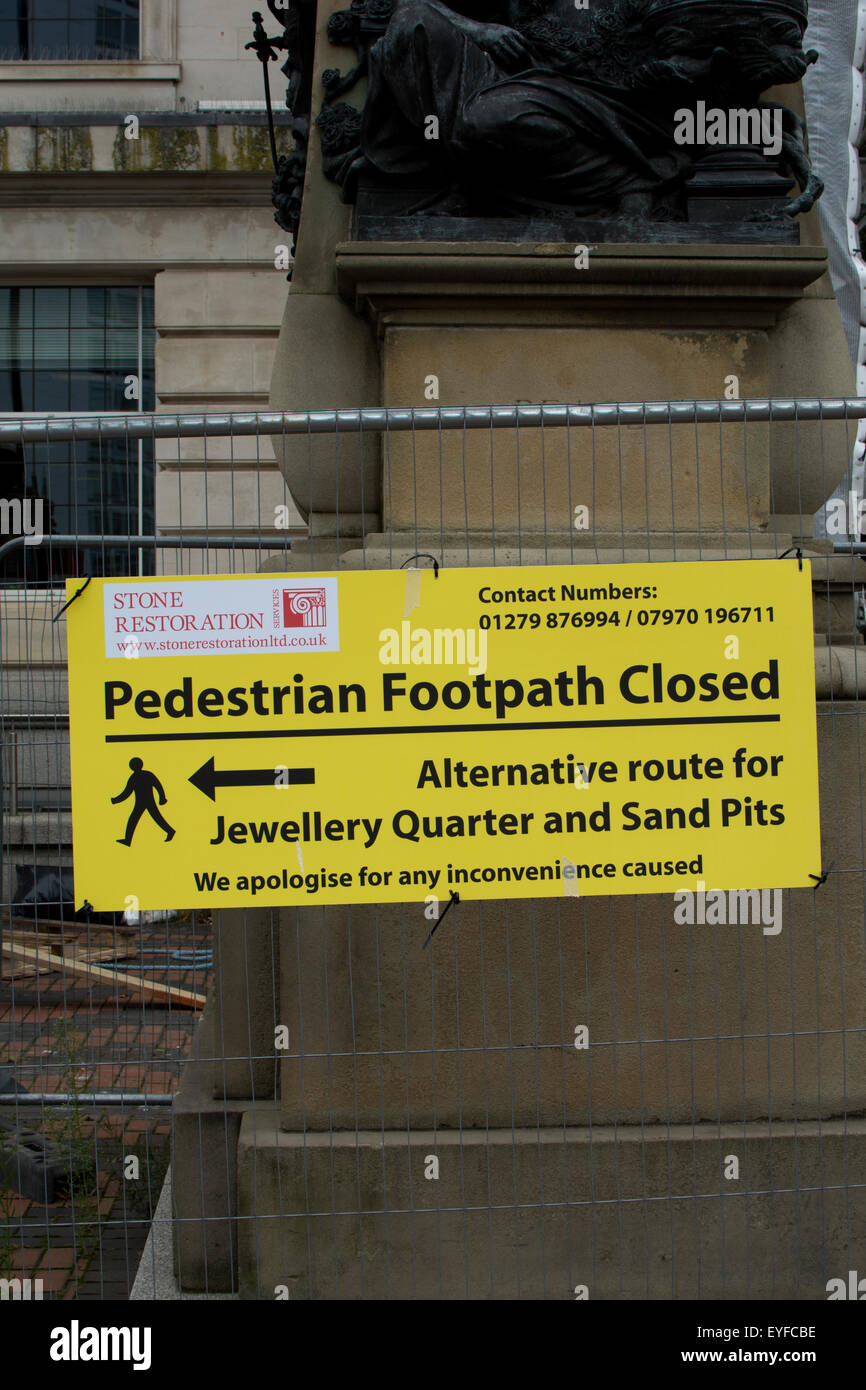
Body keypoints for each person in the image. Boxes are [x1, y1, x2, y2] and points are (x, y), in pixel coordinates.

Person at [111, 758, 175, 846]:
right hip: (142, 802)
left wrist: (162, 798)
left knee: (140, 819)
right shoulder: (143, 775)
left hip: (145, 802)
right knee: (152, 818)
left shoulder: (138, 777)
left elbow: (157, 785)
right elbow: (127, 792)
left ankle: (128, 840)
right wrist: (116, 800)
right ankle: (128, 840)